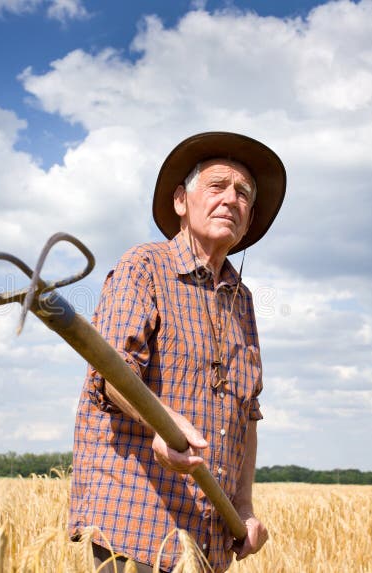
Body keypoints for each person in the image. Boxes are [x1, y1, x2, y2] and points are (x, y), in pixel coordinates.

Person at [68, 132, 287, 572]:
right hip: (136, 526)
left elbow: (246, 415)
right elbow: (112, 378)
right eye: (217, 186)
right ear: (180, 202)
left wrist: (242, 508)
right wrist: (165, 425)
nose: (232, 199)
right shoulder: (143, 267)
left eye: (243, 193)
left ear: (248, 221)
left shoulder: (240, 299)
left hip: (208, 540)